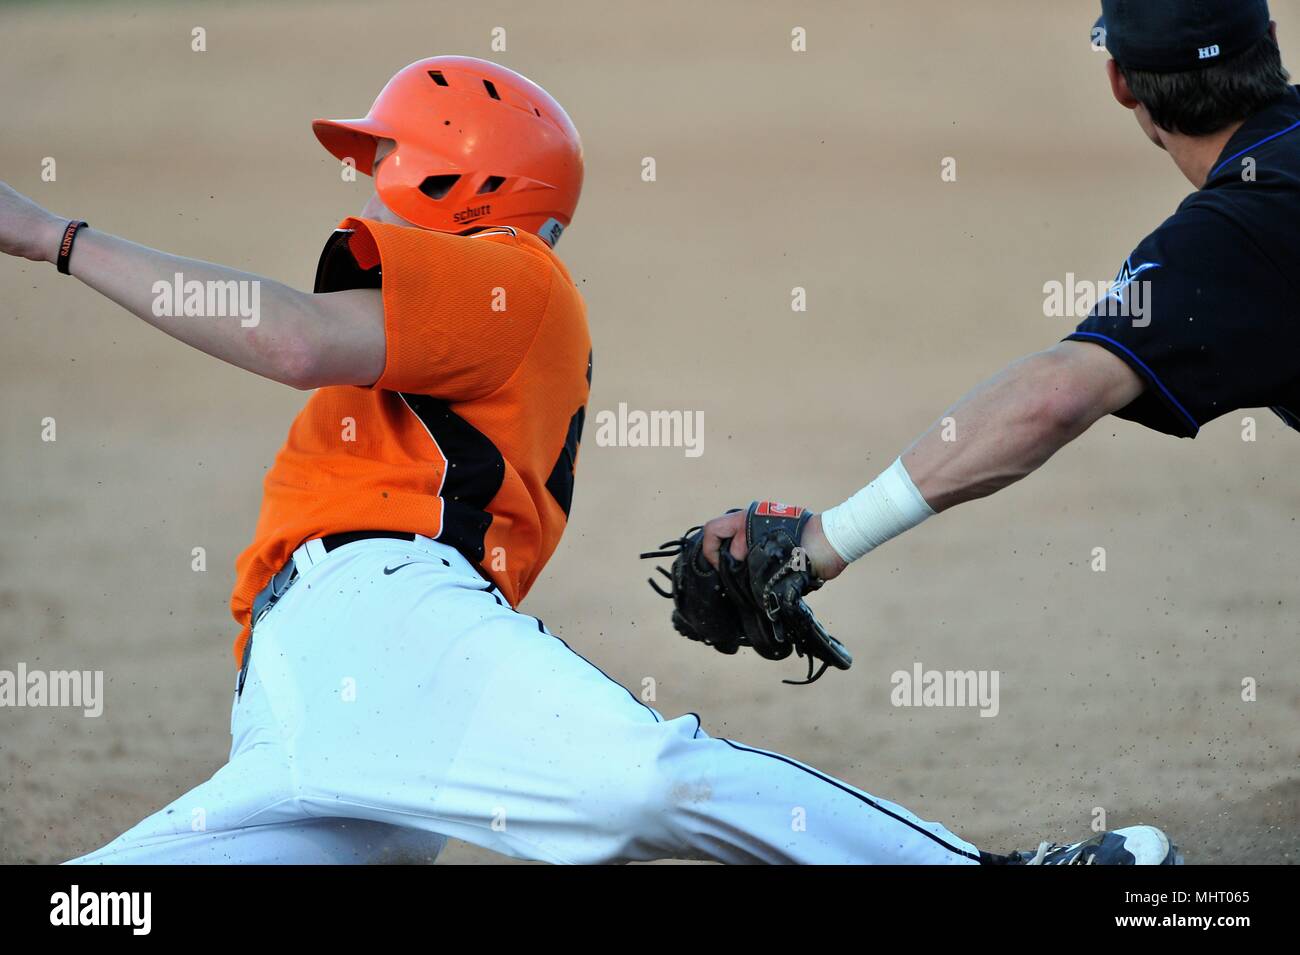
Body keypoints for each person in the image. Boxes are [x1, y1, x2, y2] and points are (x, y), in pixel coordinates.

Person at [0, 56, 1173, 865]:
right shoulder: (480, 302)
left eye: (391, 154)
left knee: (645, 782)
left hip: (392, 626)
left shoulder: (510, 271)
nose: (375, 180)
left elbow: (297, 339)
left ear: (469, 171)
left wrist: (52, 236)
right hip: (308, 691)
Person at [699, 0, 1296, 839]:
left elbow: (1057, 394)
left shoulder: (1236, 231)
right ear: (1269, 43)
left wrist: (823, 541)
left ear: (1122, 82)